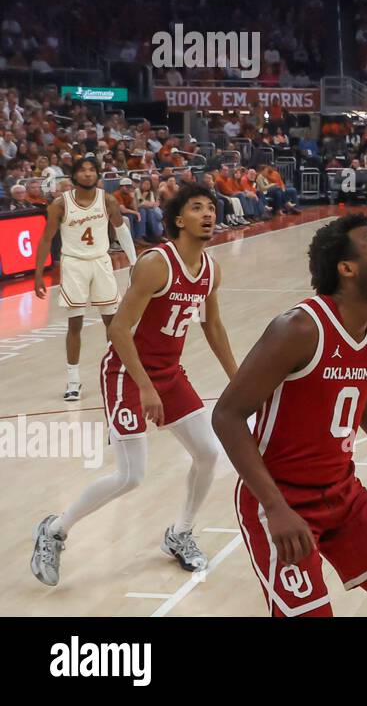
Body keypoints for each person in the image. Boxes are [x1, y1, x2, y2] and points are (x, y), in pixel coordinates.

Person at [212, 215, 367, 617]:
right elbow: (226, 416)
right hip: (281, 499)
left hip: (343, 495)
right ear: (345, 269)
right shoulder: (298, 328)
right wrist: (275, 508)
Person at [31, 184, 236, 586]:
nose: (208, 214)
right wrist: (144, 387)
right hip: (127, 373)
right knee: (131, 475)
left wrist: (237, 377)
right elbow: (120, 331)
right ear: (179, 220)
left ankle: (179, 534)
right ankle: (55, 529)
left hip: (170, 372)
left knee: (209, 453)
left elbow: (213, 325)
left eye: (211, 208)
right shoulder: (156, 263)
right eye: (197, 208)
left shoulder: (211, 269)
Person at [32, 156, 137, 401]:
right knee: (74, 324)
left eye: (92, 170)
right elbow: (46, 238)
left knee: (112, 322)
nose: (88, 174)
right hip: (74, 265)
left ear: (98, 175)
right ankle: (73, 380)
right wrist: (38, 273)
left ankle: (116, 371)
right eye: (83, 170)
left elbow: (121, 229)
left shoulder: (107, 199)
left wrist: (134, 262)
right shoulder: (60, 204)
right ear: (74, 176)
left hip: (100, 262)